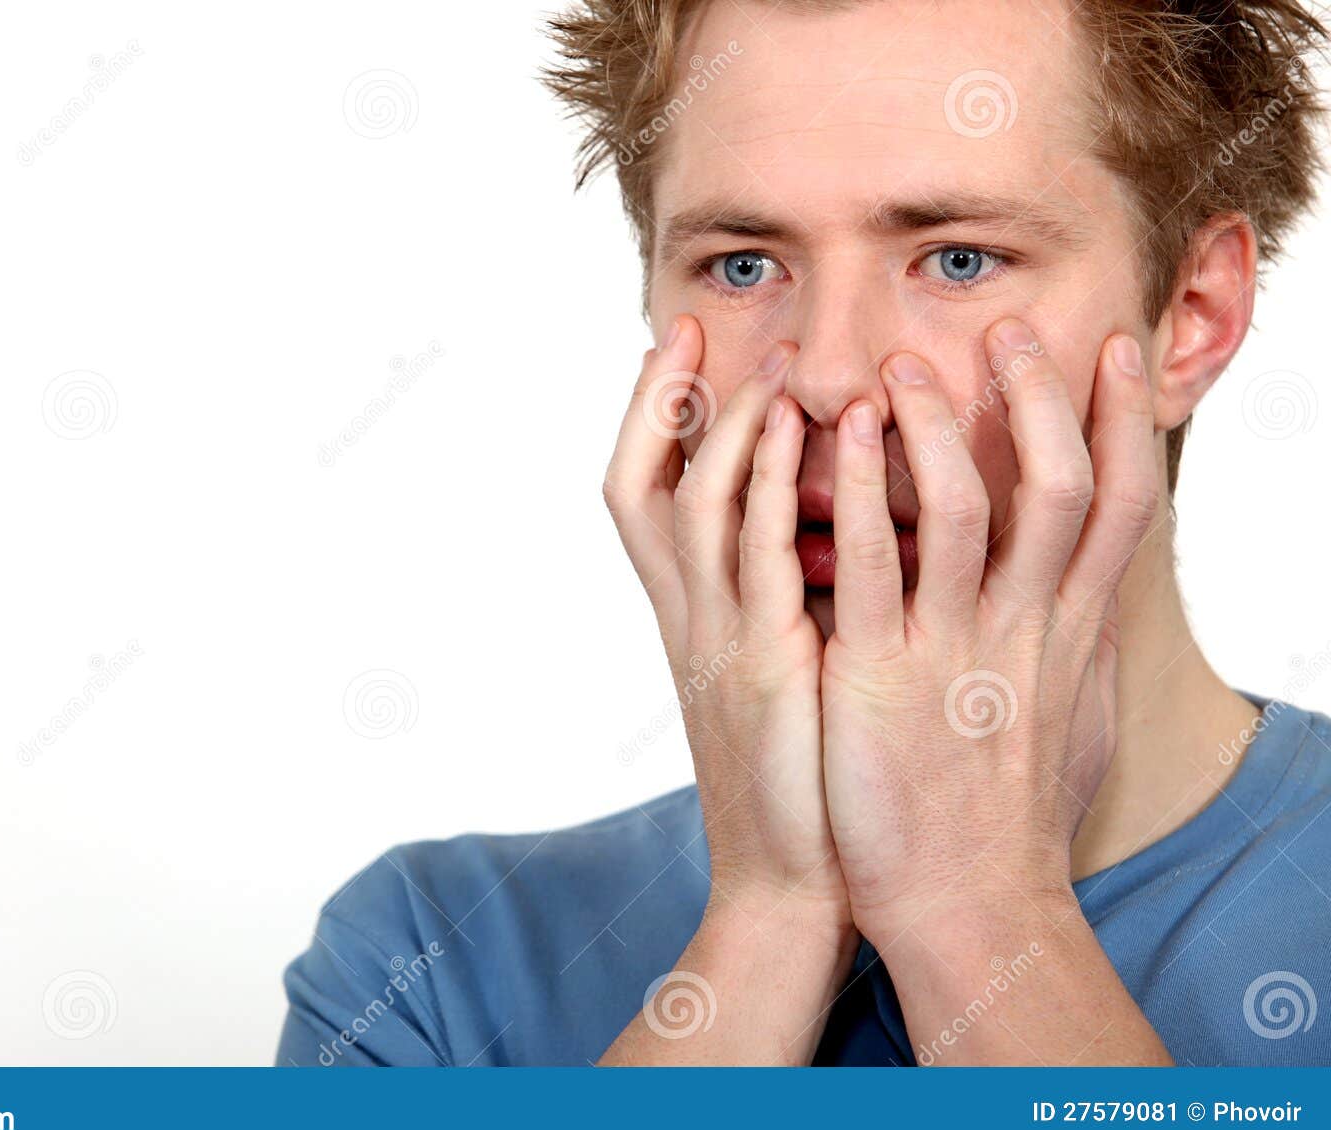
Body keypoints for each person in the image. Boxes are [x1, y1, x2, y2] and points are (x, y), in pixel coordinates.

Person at [278, 0, 1331, 1066]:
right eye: (743, 265)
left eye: (957, 259)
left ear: (1192, 314)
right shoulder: (433, 966)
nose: (827, 374)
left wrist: (974, 910)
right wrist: (768, 918)